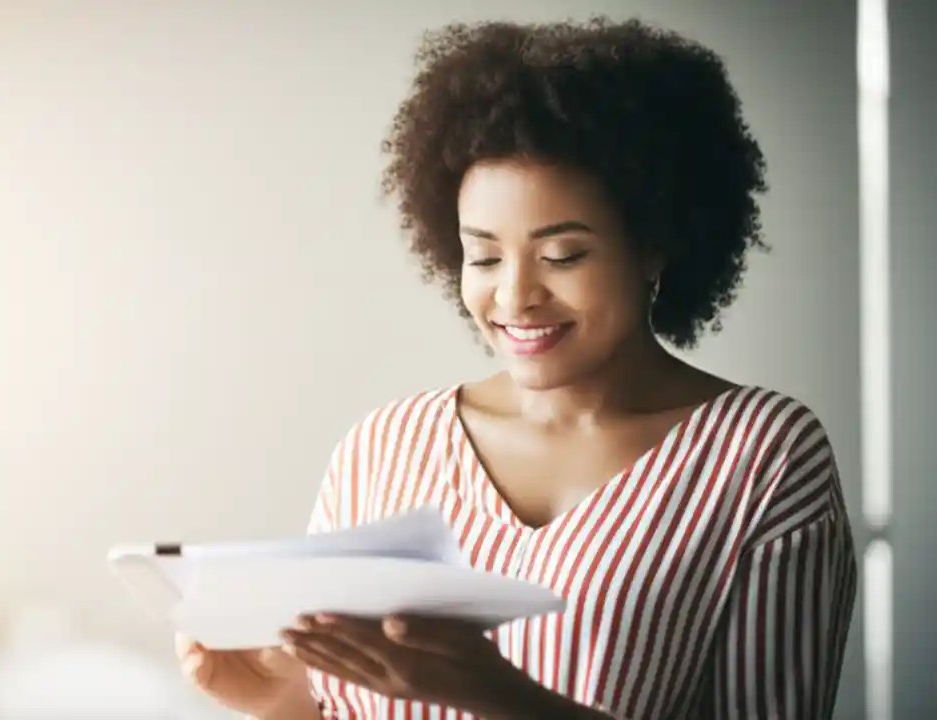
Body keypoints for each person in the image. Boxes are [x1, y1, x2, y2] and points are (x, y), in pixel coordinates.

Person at [176, 16, 857, 720]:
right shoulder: (382, 448)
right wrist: (279, 702)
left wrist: (497, 695)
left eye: (563, 255)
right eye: (485, 256)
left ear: (655, 246)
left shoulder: (763, 456)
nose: (514, 296)